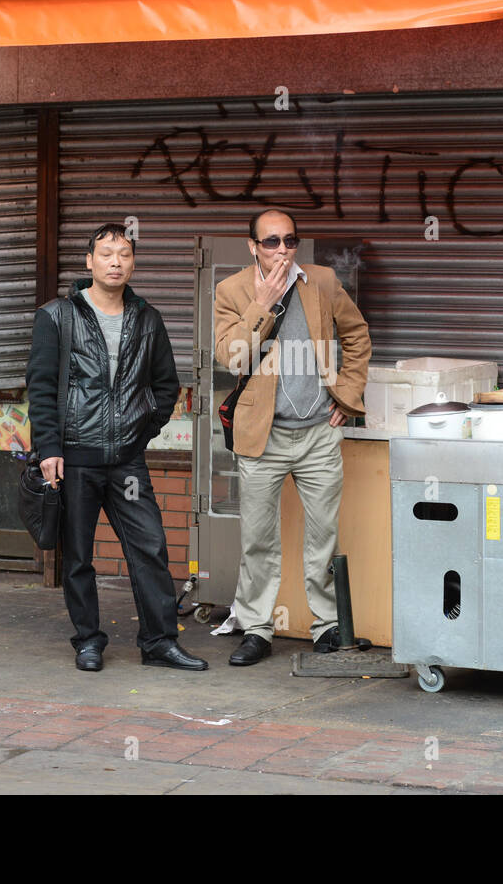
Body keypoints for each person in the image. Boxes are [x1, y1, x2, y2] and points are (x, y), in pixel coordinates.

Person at [26, 222, 207, 673]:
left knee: (150, 550)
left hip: (127, 461)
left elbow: (166, 385)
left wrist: (142, 431)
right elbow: (41, 388)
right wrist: (49, 448)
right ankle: (88, 640)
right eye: (106, 253)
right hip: (75, 458)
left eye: (124, 254)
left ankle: (160, 642)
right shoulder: (57, 316)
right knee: (78, 559)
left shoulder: (147, 318)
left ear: (132, 262)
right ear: (89, 261)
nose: (115, 261)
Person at [213, 208, 372, 666]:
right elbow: (233, 358)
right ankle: (257, 628)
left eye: (289, 241)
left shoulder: (320, 281)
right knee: (258, 539)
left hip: (318, 433)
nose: (281, 250)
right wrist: (261, 303)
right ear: (253, 247)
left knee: (323, 536)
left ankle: (326, 626)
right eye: (270, 242)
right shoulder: (232, 290)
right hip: (263, 436)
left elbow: (357, 335)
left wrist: (347, 396)